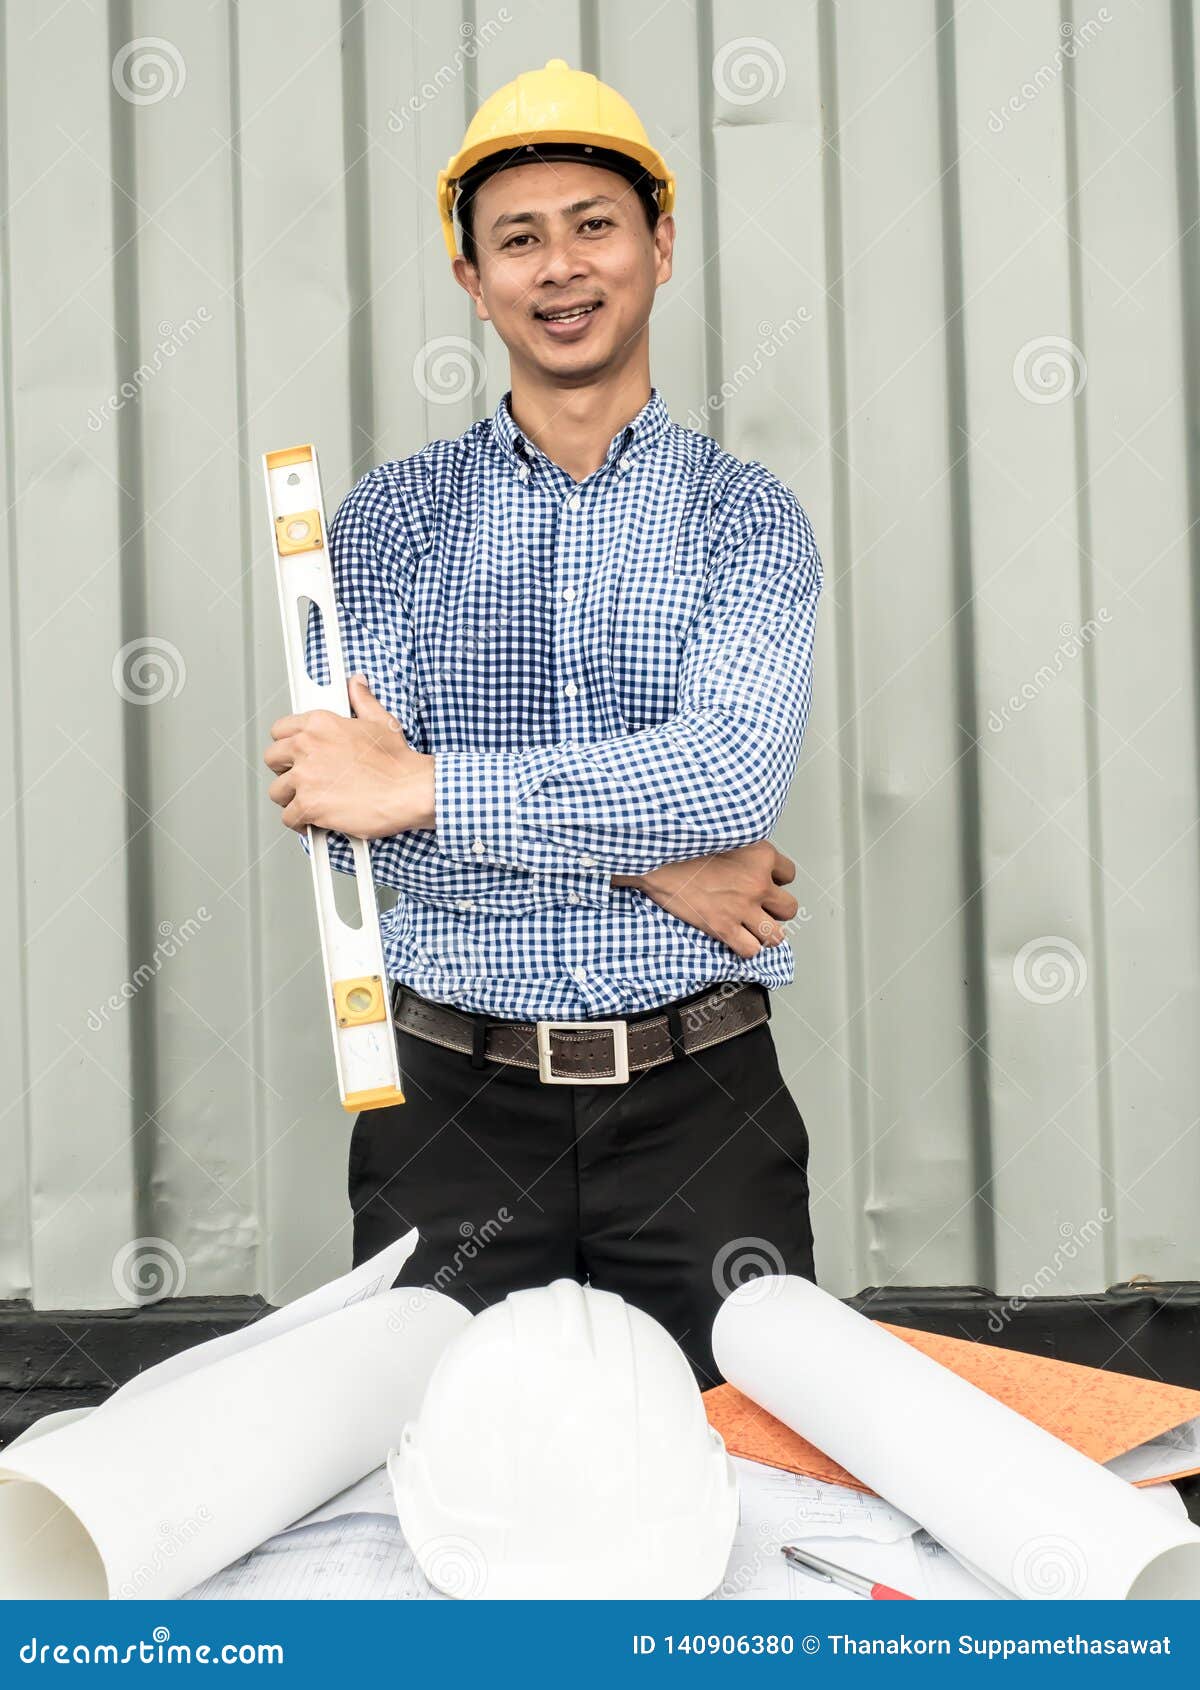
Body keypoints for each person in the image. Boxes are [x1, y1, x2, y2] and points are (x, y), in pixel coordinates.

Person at [262, 59, 824, 1387]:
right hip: (452, 1114)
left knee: (744, 1470)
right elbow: (364, 828)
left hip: (703, 1103)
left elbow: (727, 774)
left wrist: (428, 784)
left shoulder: (748, 518)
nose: (560, 265)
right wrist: (657, 852)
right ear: (472, 275)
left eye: (593, 223)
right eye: (518, 237)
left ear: (659, 245)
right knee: (435, 1486)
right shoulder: (391, 526)